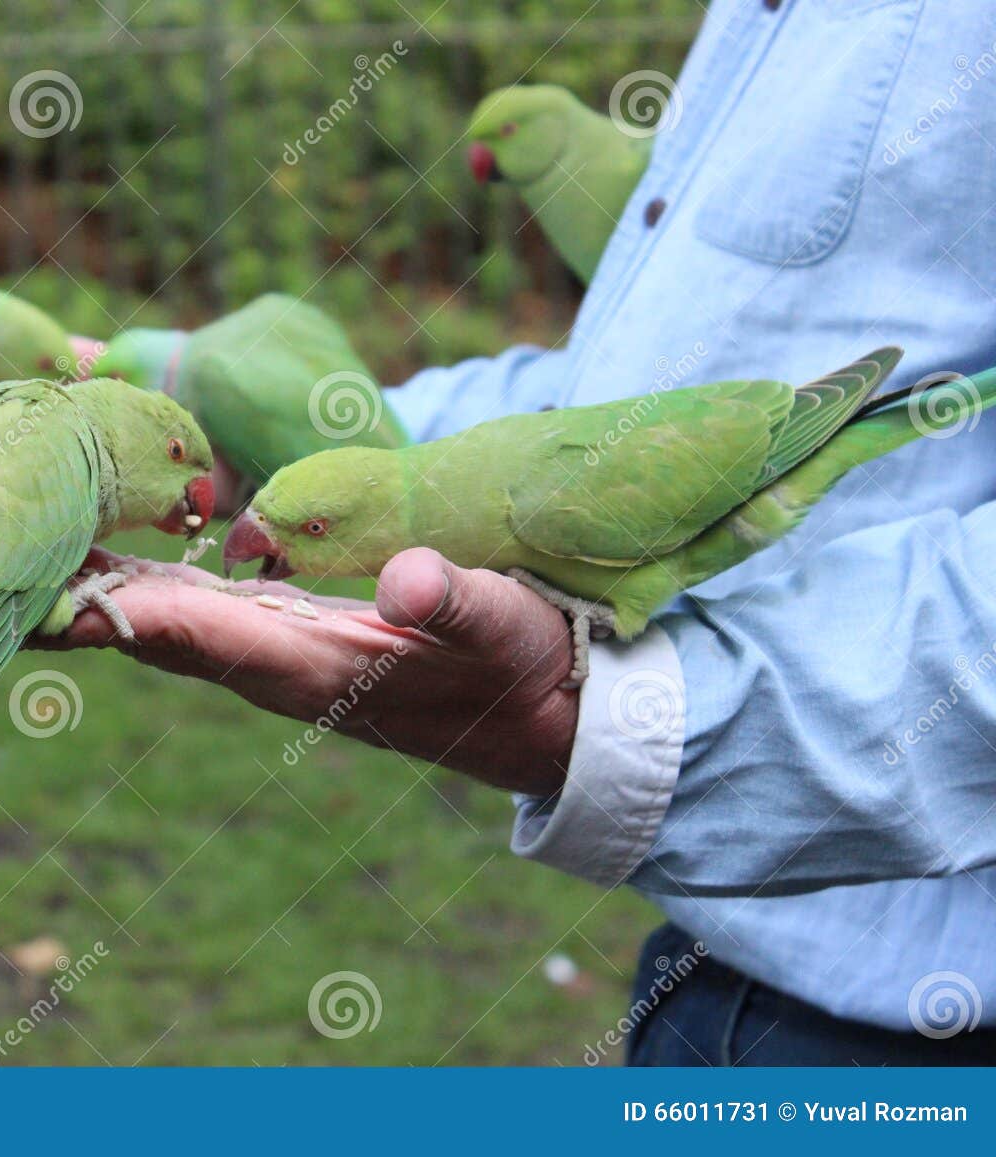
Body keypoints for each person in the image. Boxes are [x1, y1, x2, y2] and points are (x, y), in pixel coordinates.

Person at [51, 2, 996, 1064]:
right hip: (704, 964)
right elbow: (608, 400)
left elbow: (614, 468)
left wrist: (618, 717)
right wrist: (264, 435)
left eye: (308, 527)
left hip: (904, 1032)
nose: (276, 544)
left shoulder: (548, 514)